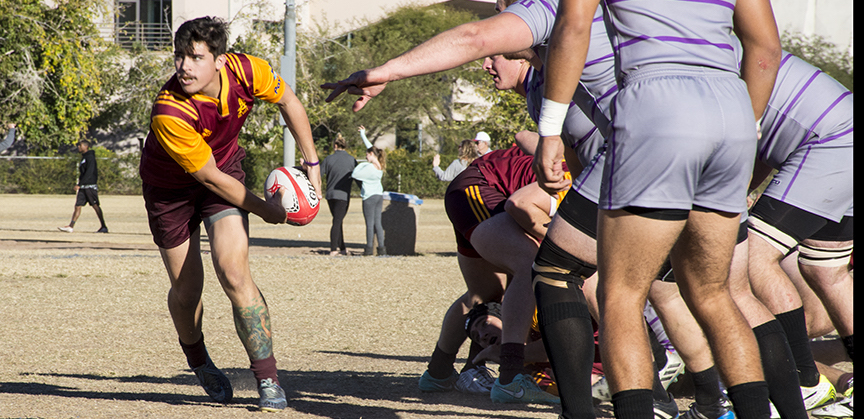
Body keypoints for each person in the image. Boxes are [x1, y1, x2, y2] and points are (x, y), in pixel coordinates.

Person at [536, 1, 781, 419]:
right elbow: (766, 49)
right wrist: (746, 123)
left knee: (620, 295)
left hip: (657, 102)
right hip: (732, 110)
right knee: (714, 294)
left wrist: (549, 130)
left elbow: (573, 27)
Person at [138, 16, 321, 412]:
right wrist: (268, 212)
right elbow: (211, 179)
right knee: (188, 293)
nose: (184, 66)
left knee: (234, 272)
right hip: (171, 193)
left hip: (225, 171)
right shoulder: (169, 111)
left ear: (219, 60)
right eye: (179, 57)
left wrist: (312, 164)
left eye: (195, 57)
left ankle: (267, 377)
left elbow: (289, 102)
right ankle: (199, 360)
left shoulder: (248, 71)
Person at [744, 50, 853, 413]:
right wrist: (743, 189)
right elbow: (758, 142)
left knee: (750, 257)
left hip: (831, 139)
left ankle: (804, 381)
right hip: (840, 131)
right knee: (827, 269)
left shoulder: (694, 53)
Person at [58, 140, 109, 234]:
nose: (78, 147)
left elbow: (89, 172)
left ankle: (104, 227)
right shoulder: (84, 157)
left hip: (90, 186)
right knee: (77, 206)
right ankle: (71, 226)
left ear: (86, 146)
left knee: (95, 206)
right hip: (83, 187)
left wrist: (79, 184)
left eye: (80, 145)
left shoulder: (90, 157)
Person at [321, 133, 357, 256]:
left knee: (338, 220)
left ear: (335, 146)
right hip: (343, 196)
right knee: (337, 221)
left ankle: (342, 248)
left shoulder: (328, 159)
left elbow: (319, 175)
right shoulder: (352, 160)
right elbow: (358, 177)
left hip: (330, 195)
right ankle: (333, 249)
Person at [352, 125, 385, 256]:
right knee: (378, 223)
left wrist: (363, 163)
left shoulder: (369, 168)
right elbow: (370, 148)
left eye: (367, 154)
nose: (365, 156)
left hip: (369, 198)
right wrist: (363, 135)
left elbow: (355, 174)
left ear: (371, 154)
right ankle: (382, 249)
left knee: (369, 224)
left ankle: (369, 249)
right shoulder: (380, 166)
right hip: (379, 195)